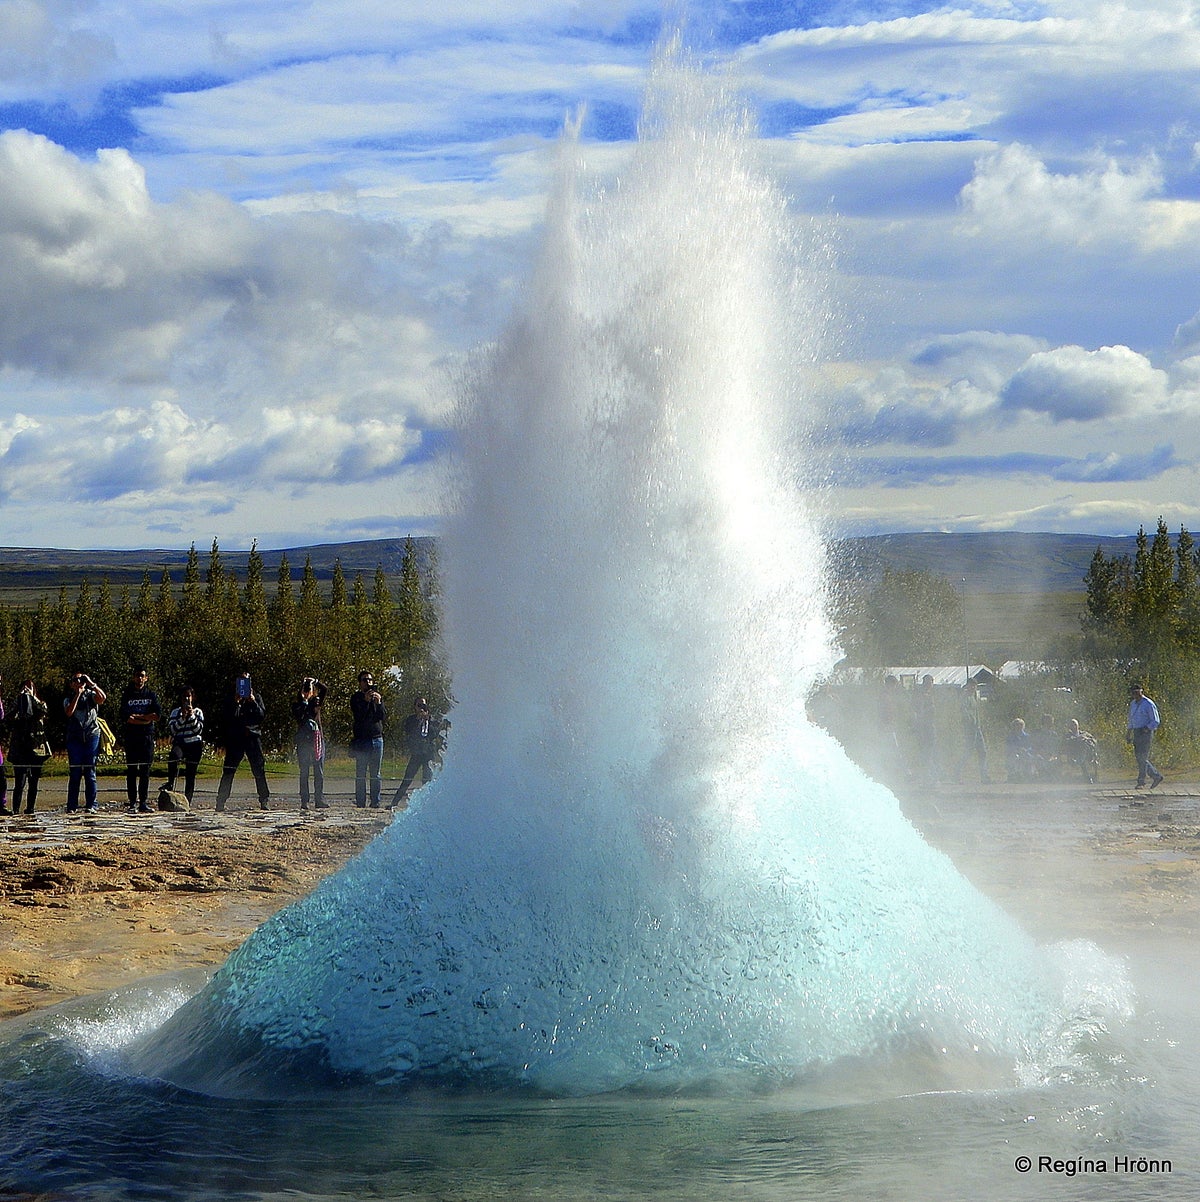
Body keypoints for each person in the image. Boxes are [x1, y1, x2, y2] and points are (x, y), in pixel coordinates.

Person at [213, 672, 271, 813]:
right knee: (229, 770)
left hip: (252, 737)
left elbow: (261, 716)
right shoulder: (230, 698)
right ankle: (221, 801)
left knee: (259, 769)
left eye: (247, 681)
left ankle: (264, 800)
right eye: (242, 681)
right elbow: (225, 717)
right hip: (236, 738)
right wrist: (235, 702)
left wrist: (253, 702)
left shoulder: (256, 697)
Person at [64, 671, 107, 813]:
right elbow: (69, 712)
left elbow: (102, 698)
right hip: (75, 737)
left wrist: (91, 683)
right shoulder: (68, 698)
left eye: (81, 680)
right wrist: (78, 694)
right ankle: (72, 806)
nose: (79, 682)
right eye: (76, 680)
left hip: (91, 735)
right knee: (75, 772)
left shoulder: (91, 695)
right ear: (71, 684)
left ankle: (91, 804)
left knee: (90, 771)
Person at [119, 666, 161, 813]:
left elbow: (156, 715)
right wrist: (144, 718)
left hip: (146, 737)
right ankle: (132, 802)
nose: (140, 678)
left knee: (145, 770)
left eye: (142, 676)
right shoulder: (127, 694)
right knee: (131, 770)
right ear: (133, 677)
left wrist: (140, 718)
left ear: (146, 678)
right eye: (137, 675)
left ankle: (143, 802)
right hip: (131, 737)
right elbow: (126, 717)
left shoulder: (151, 695)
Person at [391, 695, 445, 808]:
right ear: (415, 707)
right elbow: (408, 731)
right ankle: (394, 803)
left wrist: (427, 720)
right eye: (419, 705)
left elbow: (435, 734)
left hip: (428, 753)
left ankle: (428, 805)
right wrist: (418, 720)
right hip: (416, 753)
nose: (421, 707)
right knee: (407, 778)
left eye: (423, 704)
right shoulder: (411, 720)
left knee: (427, 779)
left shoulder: (433, 720)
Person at [9, 678, 49, 814]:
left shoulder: (40, 704)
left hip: (36, 748)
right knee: (19, 782)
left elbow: (43, 711)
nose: (26, 691)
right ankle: (15, 810)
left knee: (34, 782)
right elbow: (8, 718)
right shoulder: (17, 705)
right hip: (20, 748)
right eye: (24, 688)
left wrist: (33, 698)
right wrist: (19, 700)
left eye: (29, 688)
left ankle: (30, 808)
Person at [349, 670, 387, 809]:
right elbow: (359, 716)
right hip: (362, 740)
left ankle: (375, 802)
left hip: (377, 740)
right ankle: (360, 802)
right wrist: (365, 701)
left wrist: (379, 702)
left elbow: (382, 716)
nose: (368, 682)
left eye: (370, 680)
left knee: (375, 774)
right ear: (360, 683)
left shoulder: (377, 697)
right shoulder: (356, 698)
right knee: (361, 773)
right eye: (365, 680)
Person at [293, 676, 328, 811]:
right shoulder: (297, 705)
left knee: (319, 772)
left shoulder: (317, 703)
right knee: (304, 772)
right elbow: (299, 716)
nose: (308, 691)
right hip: (303, 742)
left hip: (317, 740)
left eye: (309, 689)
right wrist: (303, 700)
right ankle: (304, 800)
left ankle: (319, 799)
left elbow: (325, 690)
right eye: (305, 689)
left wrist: (316, 682)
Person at [165, 687, 205, 804]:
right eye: (184, 696)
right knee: (173, 757)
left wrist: (191, 716)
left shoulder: (198, 712)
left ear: (193, 697)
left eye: (189, 696)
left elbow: (198, 730)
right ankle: (170, 782)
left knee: (190, 773)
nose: (187, 699)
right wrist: (182, 718)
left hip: (194, 743)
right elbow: (173, 730)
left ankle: (188, 800)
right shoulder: (175, 712)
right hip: (180, 742)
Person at [1126, 682, 1164, 789]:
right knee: (1139, 758)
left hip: (1145, 732)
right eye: (1133, 693)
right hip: (1136, 732)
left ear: (1141, 692)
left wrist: (1146, 729)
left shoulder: (1148, 704)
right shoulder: (1133, 704)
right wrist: (1128, 733)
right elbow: (1131, 720)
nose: (1135, 695)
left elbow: (1155, 721)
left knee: (1142, 757)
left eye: (1137, 692)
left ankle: (1141, 782)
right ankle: (1156, 776)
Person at [956, 678, 990, 784]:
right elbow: (964, 711)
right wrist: (971, 722)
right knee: (968, 752)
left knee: (982, 752)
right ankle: (956, 772)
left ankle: (984, 776)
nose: (973, 688)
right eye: (971, 685)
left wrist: (978, 724)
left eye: (975, 686)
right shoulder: (964, 697)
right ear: (967, 686)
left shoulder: (973, 697)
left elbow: (976, 712)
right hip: (970, 729)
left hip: (977, 728)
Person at [1064, 718, 1100, 785]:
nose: (1074, 726)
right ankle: (1087, 777)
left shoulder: (1085, 733)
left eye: (1075, 724)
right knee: (1083, 749)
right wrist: (1078, 739)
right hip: (1075, 753)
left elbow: (1094, 740)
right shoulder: (1068, 735)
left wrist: (1086, 739)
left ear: (1078, 725)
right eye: (1072, 725)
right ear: (1069, 726)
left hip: (1088, 754)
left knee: (1085, 744)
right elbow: (1066, 742)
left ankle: (1079, 761)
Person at [1005, 717, 1035, 782]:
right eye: (1016, 725)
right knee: (1014, 757)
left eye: (1020, 725)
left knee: (1028, 756)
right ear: (1013, 726)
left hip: (1025, 753)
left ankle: (1028, 775)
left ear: (1023, 726)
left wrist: (1026, 750)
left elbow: (1031, 747)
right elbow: (1008, 747)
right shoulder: (1010, 737)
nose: (1018, 727)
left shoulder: (1027, 736)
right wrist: (1016, 749)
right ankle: (1013, 775)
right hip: (1014, 753)